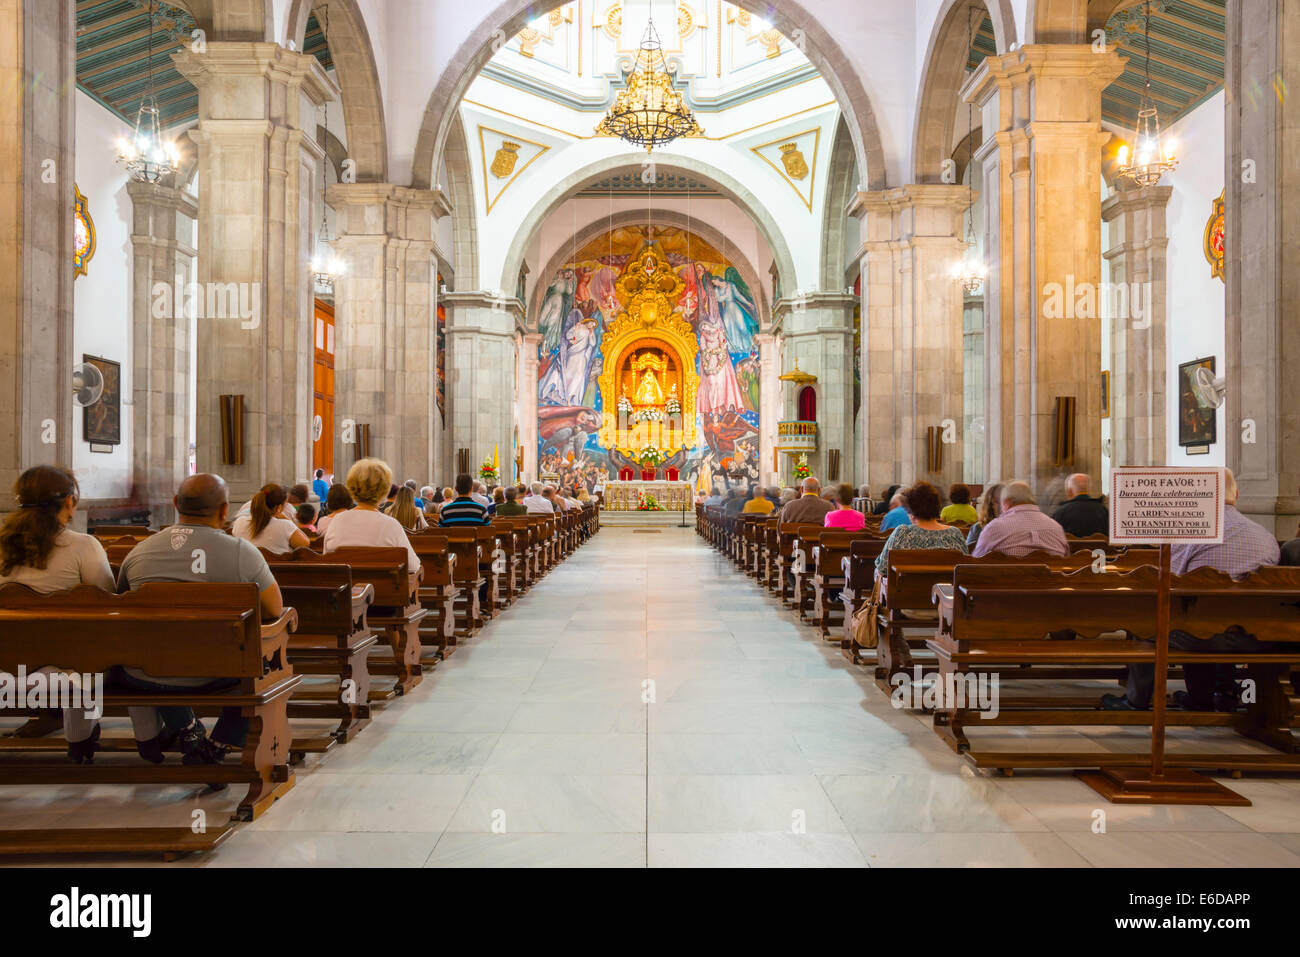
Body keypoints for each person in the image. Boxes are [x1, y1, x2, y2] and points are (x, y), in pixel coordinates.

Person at [117, 473, 285, 765]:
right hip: (218, 670)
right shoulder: (242, 553)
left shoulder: (139, 552)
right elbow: (274, 608)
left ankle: (188, 729)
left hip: (146, 673)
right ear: (223, 511)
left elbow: (119, 606)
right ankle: (218, 744)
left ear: (175, 504)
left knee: (167, 654)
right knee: (262, 663)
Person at [1103, 469, 1281, 712]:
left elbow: (1166, 583)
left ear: (1202, 496)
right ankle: (1220, 694)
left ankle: (1135, 701)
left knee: (1155, 625)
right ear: (1237, 495)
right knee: (1212, 617)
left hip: (1203, 636)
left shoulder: (1192, 532)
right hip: (1257, 637)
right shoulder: (1265, 536)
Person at [0, 465, 123, 759]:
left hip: (4, 666)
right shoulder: (83, 546)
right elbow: (108, 604)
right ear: (70, 501)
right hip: (67, 670)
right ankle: (79, 738)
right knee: (89, 654)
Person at [322, 458, 421, 572]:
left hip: (345, 588)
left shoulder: (337, 520)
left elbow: (327, 560)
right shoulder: (390, 525)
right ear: (384, 490)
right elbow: (413, 566)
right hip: (380, 588)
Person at [874, 481, 968, 575]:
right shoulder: (955, 533)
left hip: (908, 589)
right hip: (947, 589)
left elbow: (883, 567)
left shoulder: (902, 533)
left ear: (911, 511)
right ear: (937, 506)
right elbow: (965, 569)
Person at [971, 481, 1069, 557]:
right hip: (1051, 583)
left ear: (1007, 502)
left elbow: (975, 564)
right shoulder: (1056, 528)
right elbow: (1066, 560)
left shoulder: (994, 528)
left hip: (1008, 582)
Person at [231, 483, 310, 554]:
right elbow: (305, 545)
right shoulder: (285, 525)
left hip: (244, 569)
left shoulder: (239, 522)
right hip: (276, 570)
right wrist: (287, 519)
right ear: (278, 507)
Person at [1051, 473, 1109, 537]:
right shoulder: (1103, 511)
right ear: (1089, 489)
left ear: (1069, 491)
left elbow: (1053, 537)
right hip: (1099, 547)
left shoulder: (1060, 513)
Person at [965, 482, 1004, 549]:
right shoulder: (978, 528)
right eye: (997, 502)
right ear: (990, 505)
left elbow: (968, 553)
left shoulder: (978, 528)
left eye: (1004, 502)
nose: (1001, 506)